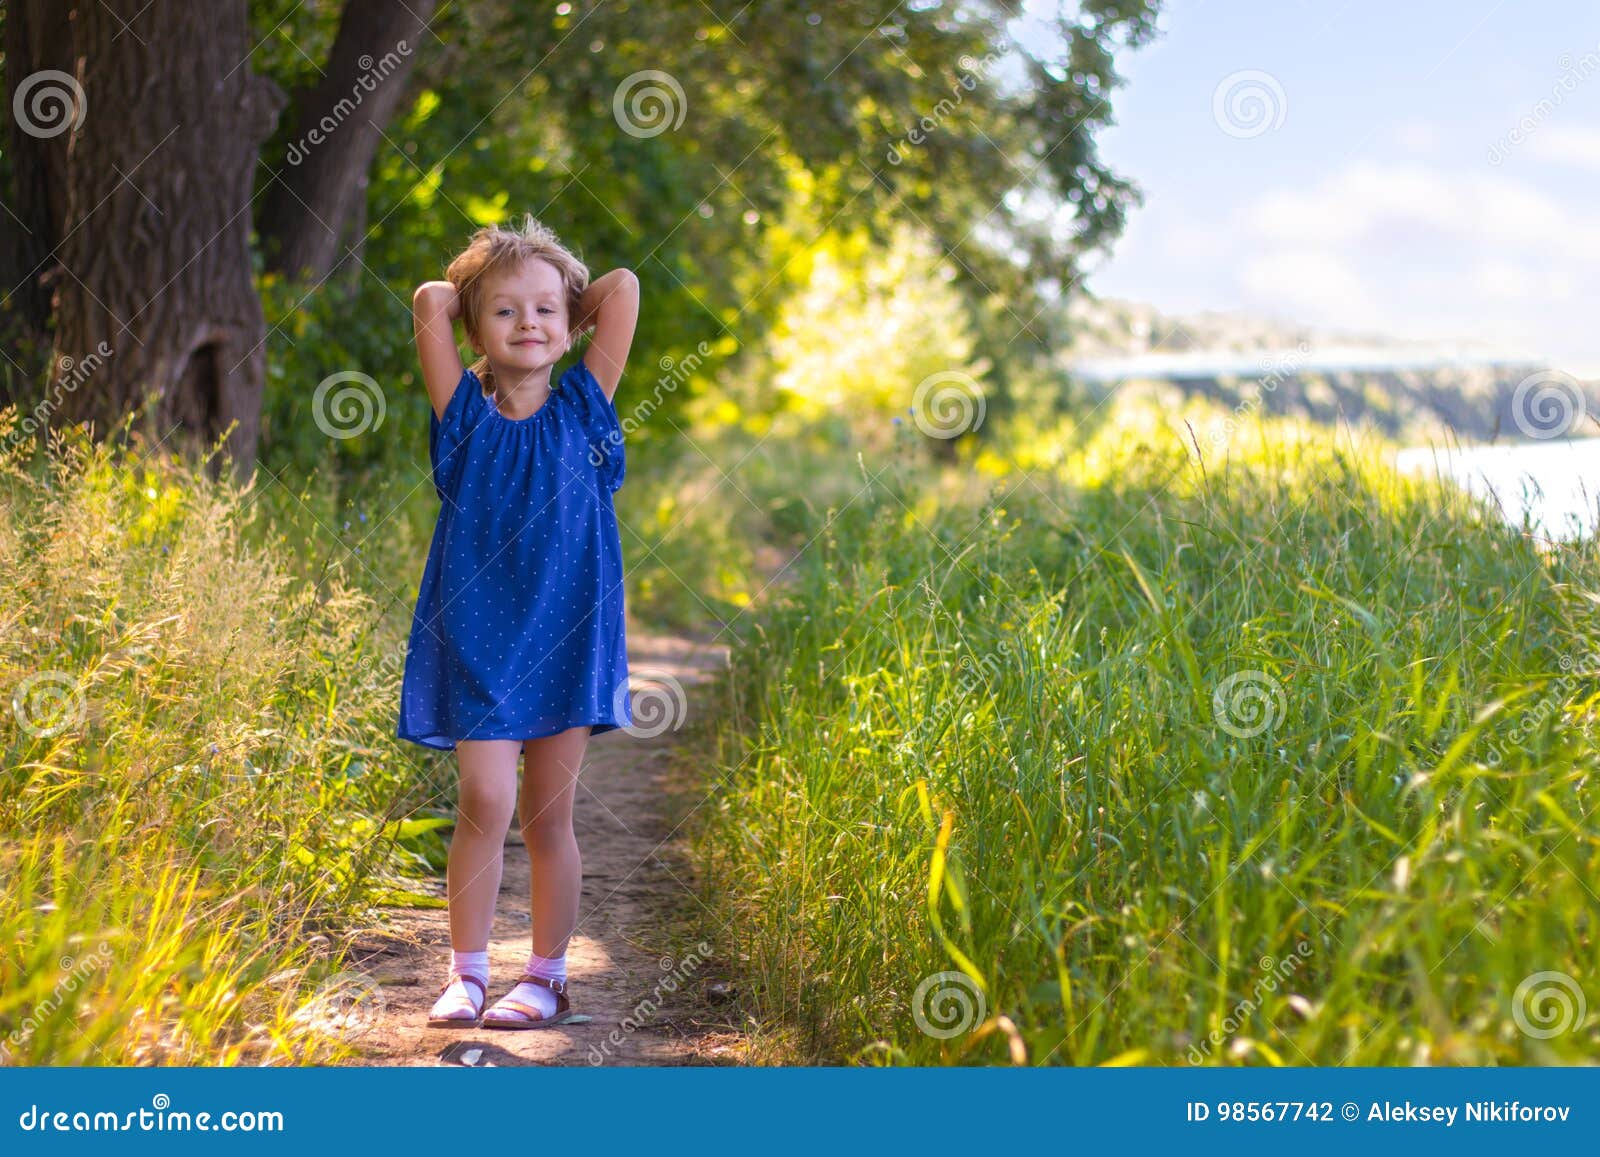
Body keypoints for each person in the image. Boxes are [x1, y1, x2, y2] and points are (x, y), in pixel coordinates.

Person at [395, 214, 640, 1029]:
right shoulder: (461, 414)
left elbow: (624, 289)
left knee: (547, 817)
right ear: (476, 326)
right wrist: (481, 285)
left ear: (571, 324)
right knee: (484, 798)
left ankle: (544, 975)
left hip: (568, 634)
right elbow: (431, 298)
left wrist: (561, 291)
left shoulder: (584, 404)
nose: (528, 323)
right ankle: (465, 974)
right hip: (478, 636)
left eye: (545, 311)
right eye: (504, 310)